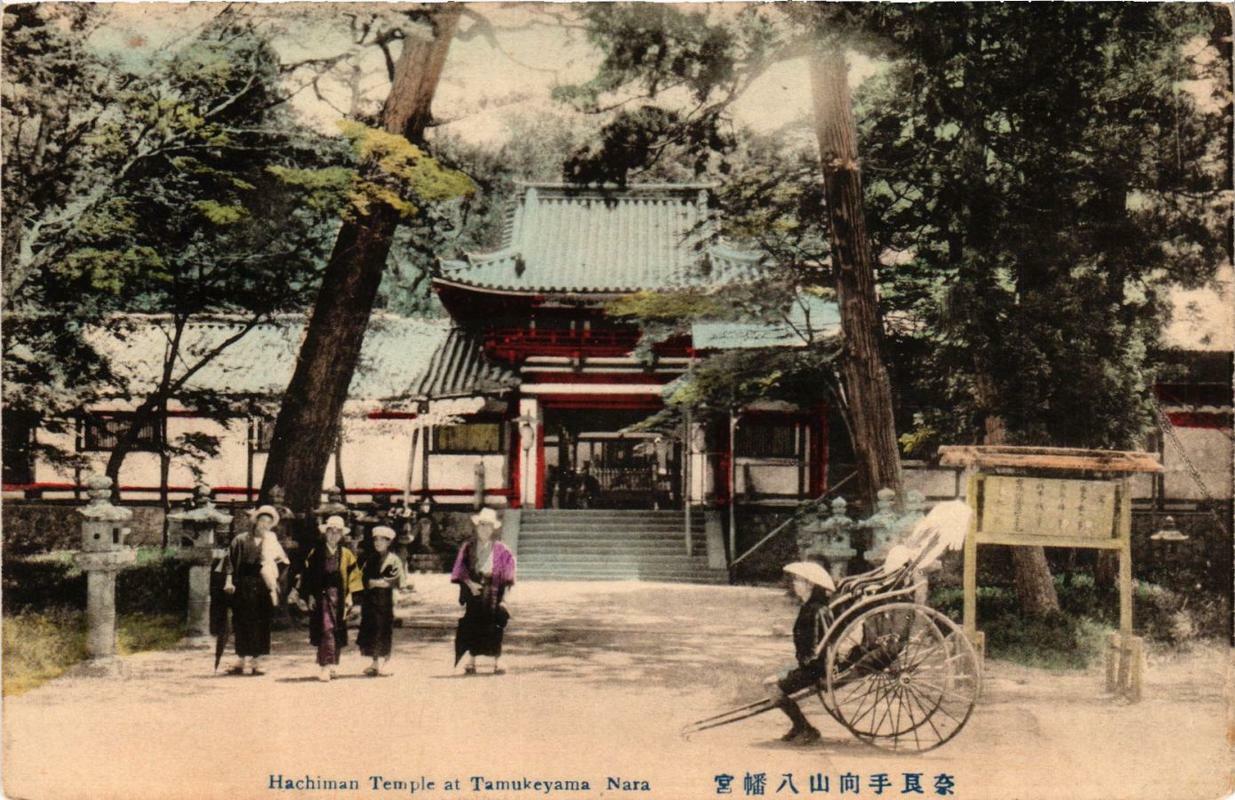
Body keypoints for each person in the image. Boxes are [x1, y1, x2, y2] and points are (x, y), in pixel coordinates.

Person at [762, 561, 834, 744]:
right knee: (771, 683)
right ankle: (799, 726)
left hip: (816, 668)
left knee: (773, 688)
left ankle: (805, 728)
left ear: (809, 584)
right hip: (808, 665)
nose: (794, 584)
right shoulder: (808, 607)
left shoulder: (819, 610)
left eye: (798, 581)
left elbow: (822, 647)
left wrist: (788, 673)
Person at [290, 515, 363, 682]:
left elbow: (354, 576)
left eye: (338, 532)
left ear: (341, 535)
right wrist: (308, 595)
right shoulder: (316, 552)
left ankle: (333, 665)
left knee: (336, 629)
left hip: (340, 595)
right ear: (326, 533)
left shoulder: (346, 554)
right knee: (326, 629)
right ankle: (325, 666)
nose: (334, 535)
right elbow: (307, 575)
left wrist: (350, 596)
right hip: (321, 595)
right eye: (331, 531)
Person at [222, 505, 287, 675]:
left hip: (263, 585)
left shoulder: (272, 542)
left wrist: (273, 574)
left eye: (268, 522)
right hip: (244, 584)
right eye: (262, 520)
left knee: (261, 622)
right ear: (256, 521)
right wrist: (229, 581)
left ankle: (257, 661)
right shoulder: (241, 540)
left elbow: (283, 562)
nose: (264, 525)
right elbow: (230, 562)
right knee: (242, 621)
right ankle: (241, 659)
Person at [450, 507, 516, 675]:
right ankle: (471, 660)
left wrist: (505, 599)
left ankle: (497, 660)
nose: (484, 529)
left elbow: (509, 577)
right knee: (472, 624)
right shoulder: (468, 547)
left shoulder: (502, 549)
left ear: (494, 528)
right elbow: (460, 569)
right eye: (481, 525)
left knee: (495, 625)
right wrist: (470, 584)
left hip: (494, 590)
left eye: (488, 525)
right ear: (477, 527)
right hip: (474, 590)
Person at [357, 525, 405, 677]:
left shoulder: (393, 560)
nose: (378, 543)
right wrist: (370, 582)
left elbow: (391, 580)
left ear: (389, 542)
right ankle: (374, 662)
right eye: (376, 540)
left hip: (385, 600)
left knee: (384, 630)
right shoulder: (370, 559)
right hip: (370, 601)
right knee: (371, 630)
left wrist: (375, 582)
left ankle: (386, 662)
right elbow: (362, 577)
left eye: (382, 540)